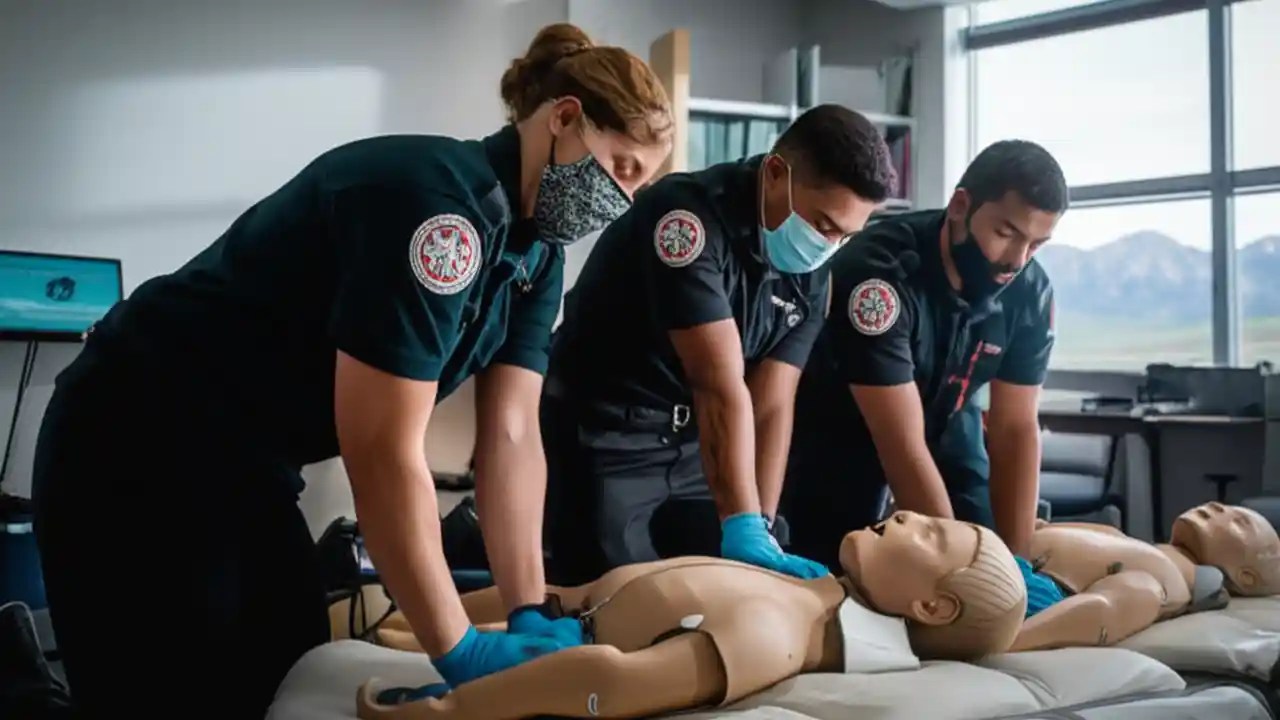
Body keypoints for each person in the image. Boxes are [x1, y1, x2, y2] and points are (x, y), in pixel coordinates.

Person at [29, 22, 673, 717]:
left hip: (247, 459)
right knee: (175, 683)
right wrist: (457, 648)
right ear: (566, 118)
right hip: (135, 431)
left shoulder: (535, 259)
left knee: (285, 660)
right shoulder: (435, 207)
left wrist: (526, 606)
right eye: (622, 168)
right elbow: (382, 450)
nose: (622, 200)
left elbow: (513, 436)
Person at [541, 104, 898, 586]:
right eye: (824, 224)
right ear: (775, 173)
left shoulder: (813, 271)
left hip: (693, 445)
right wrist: (741, 523)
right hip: (607, 435)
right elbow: (719, 384)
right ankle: (476, 543)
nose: (829, 245)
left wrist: (762, 527)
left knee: (746, 586)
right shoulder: (685, 219)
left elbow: (772, 402)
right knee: (614, 596)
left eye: (845, 235)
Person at [359, 510, 1026, 720]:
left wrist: (447, 710)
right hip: (554, 614)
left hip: (551, 655)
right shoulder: (814, 589)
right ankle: (379, 608)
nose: (910, 515)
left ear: (932, 606)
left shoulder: (781, 638)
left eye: (934, 535)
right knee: (393, 618)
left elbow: (615, 683)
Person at [781, 140, 1069, 573]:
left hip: (952, 423)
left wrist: (1015, 567)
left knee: (994, 551)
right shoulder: (877, 275)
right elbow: (902, 446)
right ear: (960, 206)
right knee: (852, 570)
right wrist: (964, 575)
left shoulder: (1031, 291)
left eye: (1036, 245)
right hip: (842, 432)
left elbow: (1014, 428)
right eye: (1006, 233)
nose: (1016, 261)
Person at [1010, 501, 1280, 651]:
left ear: (1246, 577)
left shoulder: (1169, 581)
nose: (1217, 507)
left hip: (1024, 590)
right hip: (1001, 556)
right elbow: (1037, 528)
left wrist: (1009, 639)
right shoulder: (1123, 540)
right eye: (1225, 506)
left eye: (1239, 522)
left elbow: (1107, 608)